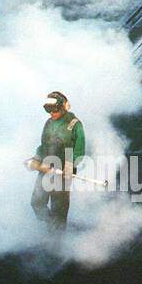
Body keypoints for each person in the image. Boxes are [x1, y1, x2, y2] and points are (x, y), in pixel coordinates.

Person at [26, 91, 85, 233]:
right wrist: (36, 158)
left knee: (59, 208)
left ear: (64, 107)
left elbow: (79, 149)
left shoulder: (74, 124)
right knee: (37, 203)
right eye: (49, 110)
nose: (51, 113)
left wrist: (71, 165)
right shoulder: (49, 122)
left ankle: (57, 241)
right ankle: (53, 225)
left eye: (55, 110)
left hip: (63, 171)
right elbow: (43, 145)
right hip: (45, 167)